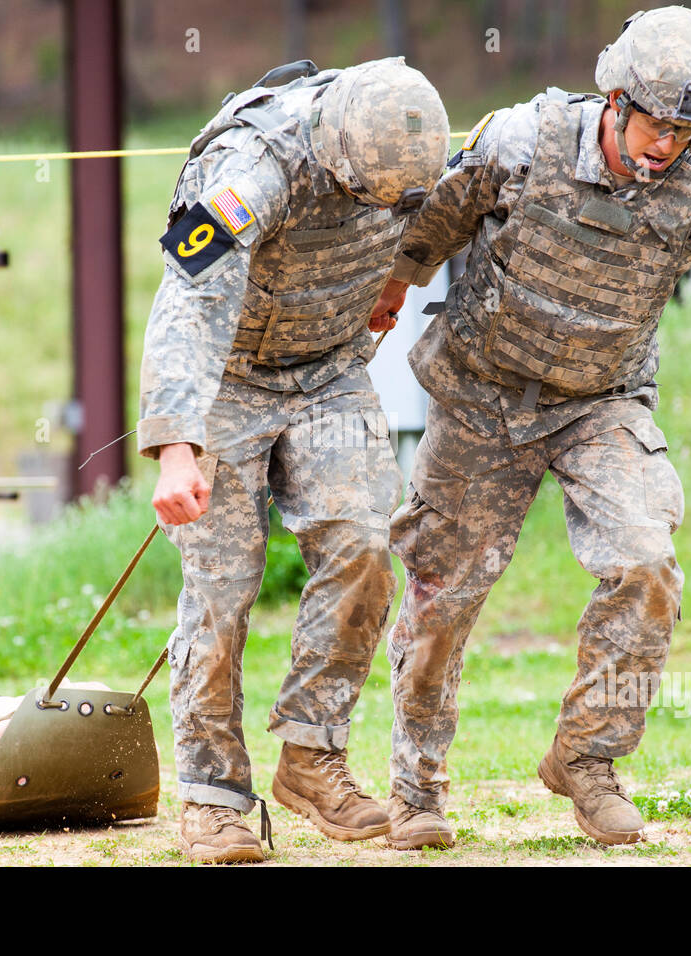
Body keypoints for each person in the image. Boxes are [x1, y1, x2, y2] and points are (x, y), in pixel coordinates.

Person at [371, 5, 691, 849]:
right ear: (614, 99)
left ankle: (589, 759)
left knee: (648, 567)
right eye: (654, 123)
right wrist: (394, 285)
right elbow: (438, 215)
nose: (664, 145)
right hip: (481, 393)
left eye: (687, 130)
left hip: (601, 403)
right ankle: (416, 790)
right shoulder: (521, 144)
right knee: (439, 594)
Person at [138, 57, 449, 863]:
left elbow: (440, 223)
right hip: (227, 376)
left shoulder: (410, 156)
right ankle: (212, 799)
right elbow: (188, 297)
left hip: (330, 367)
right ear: (335, 155)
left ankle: (312, 756)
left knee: (365, 543)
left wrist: (395, 280)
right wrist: (177, 448)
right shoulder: (254, 167)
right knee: (223, 587)